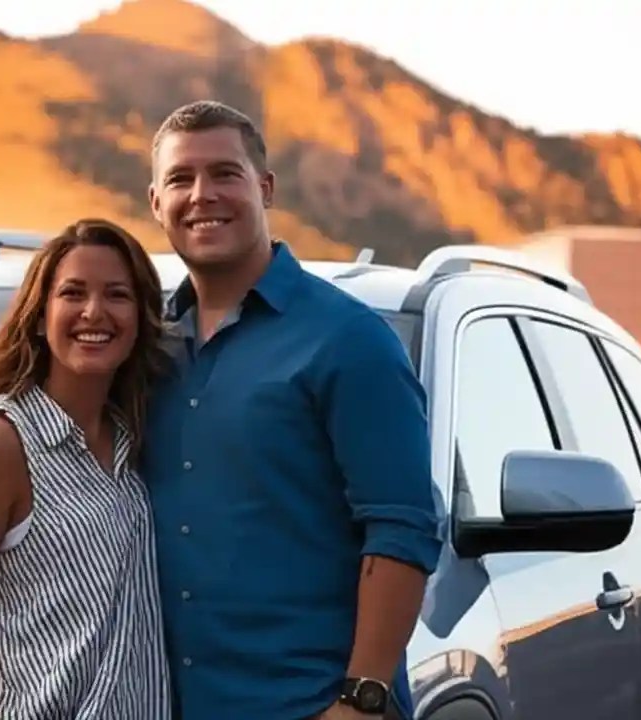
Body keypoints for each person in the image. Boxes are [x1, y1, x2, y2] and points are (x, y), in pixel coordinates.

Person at [141, 100, 443, 720]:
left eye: (225, 173)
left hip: (307, 704)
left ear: (266, 188)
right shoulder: (146, 350)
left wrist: (359, 701)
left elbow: (403, 528)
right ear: (155, 202)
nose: (202, 195)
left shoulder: (348, 340)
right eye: (181, 179)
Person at [0, 218, 174, 720]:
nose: (94, 312)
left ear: (140, 317)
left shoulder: (132, 442)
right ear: (39, 315)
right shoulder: (2, 442)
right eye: (72, 293)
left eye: (117, 295)